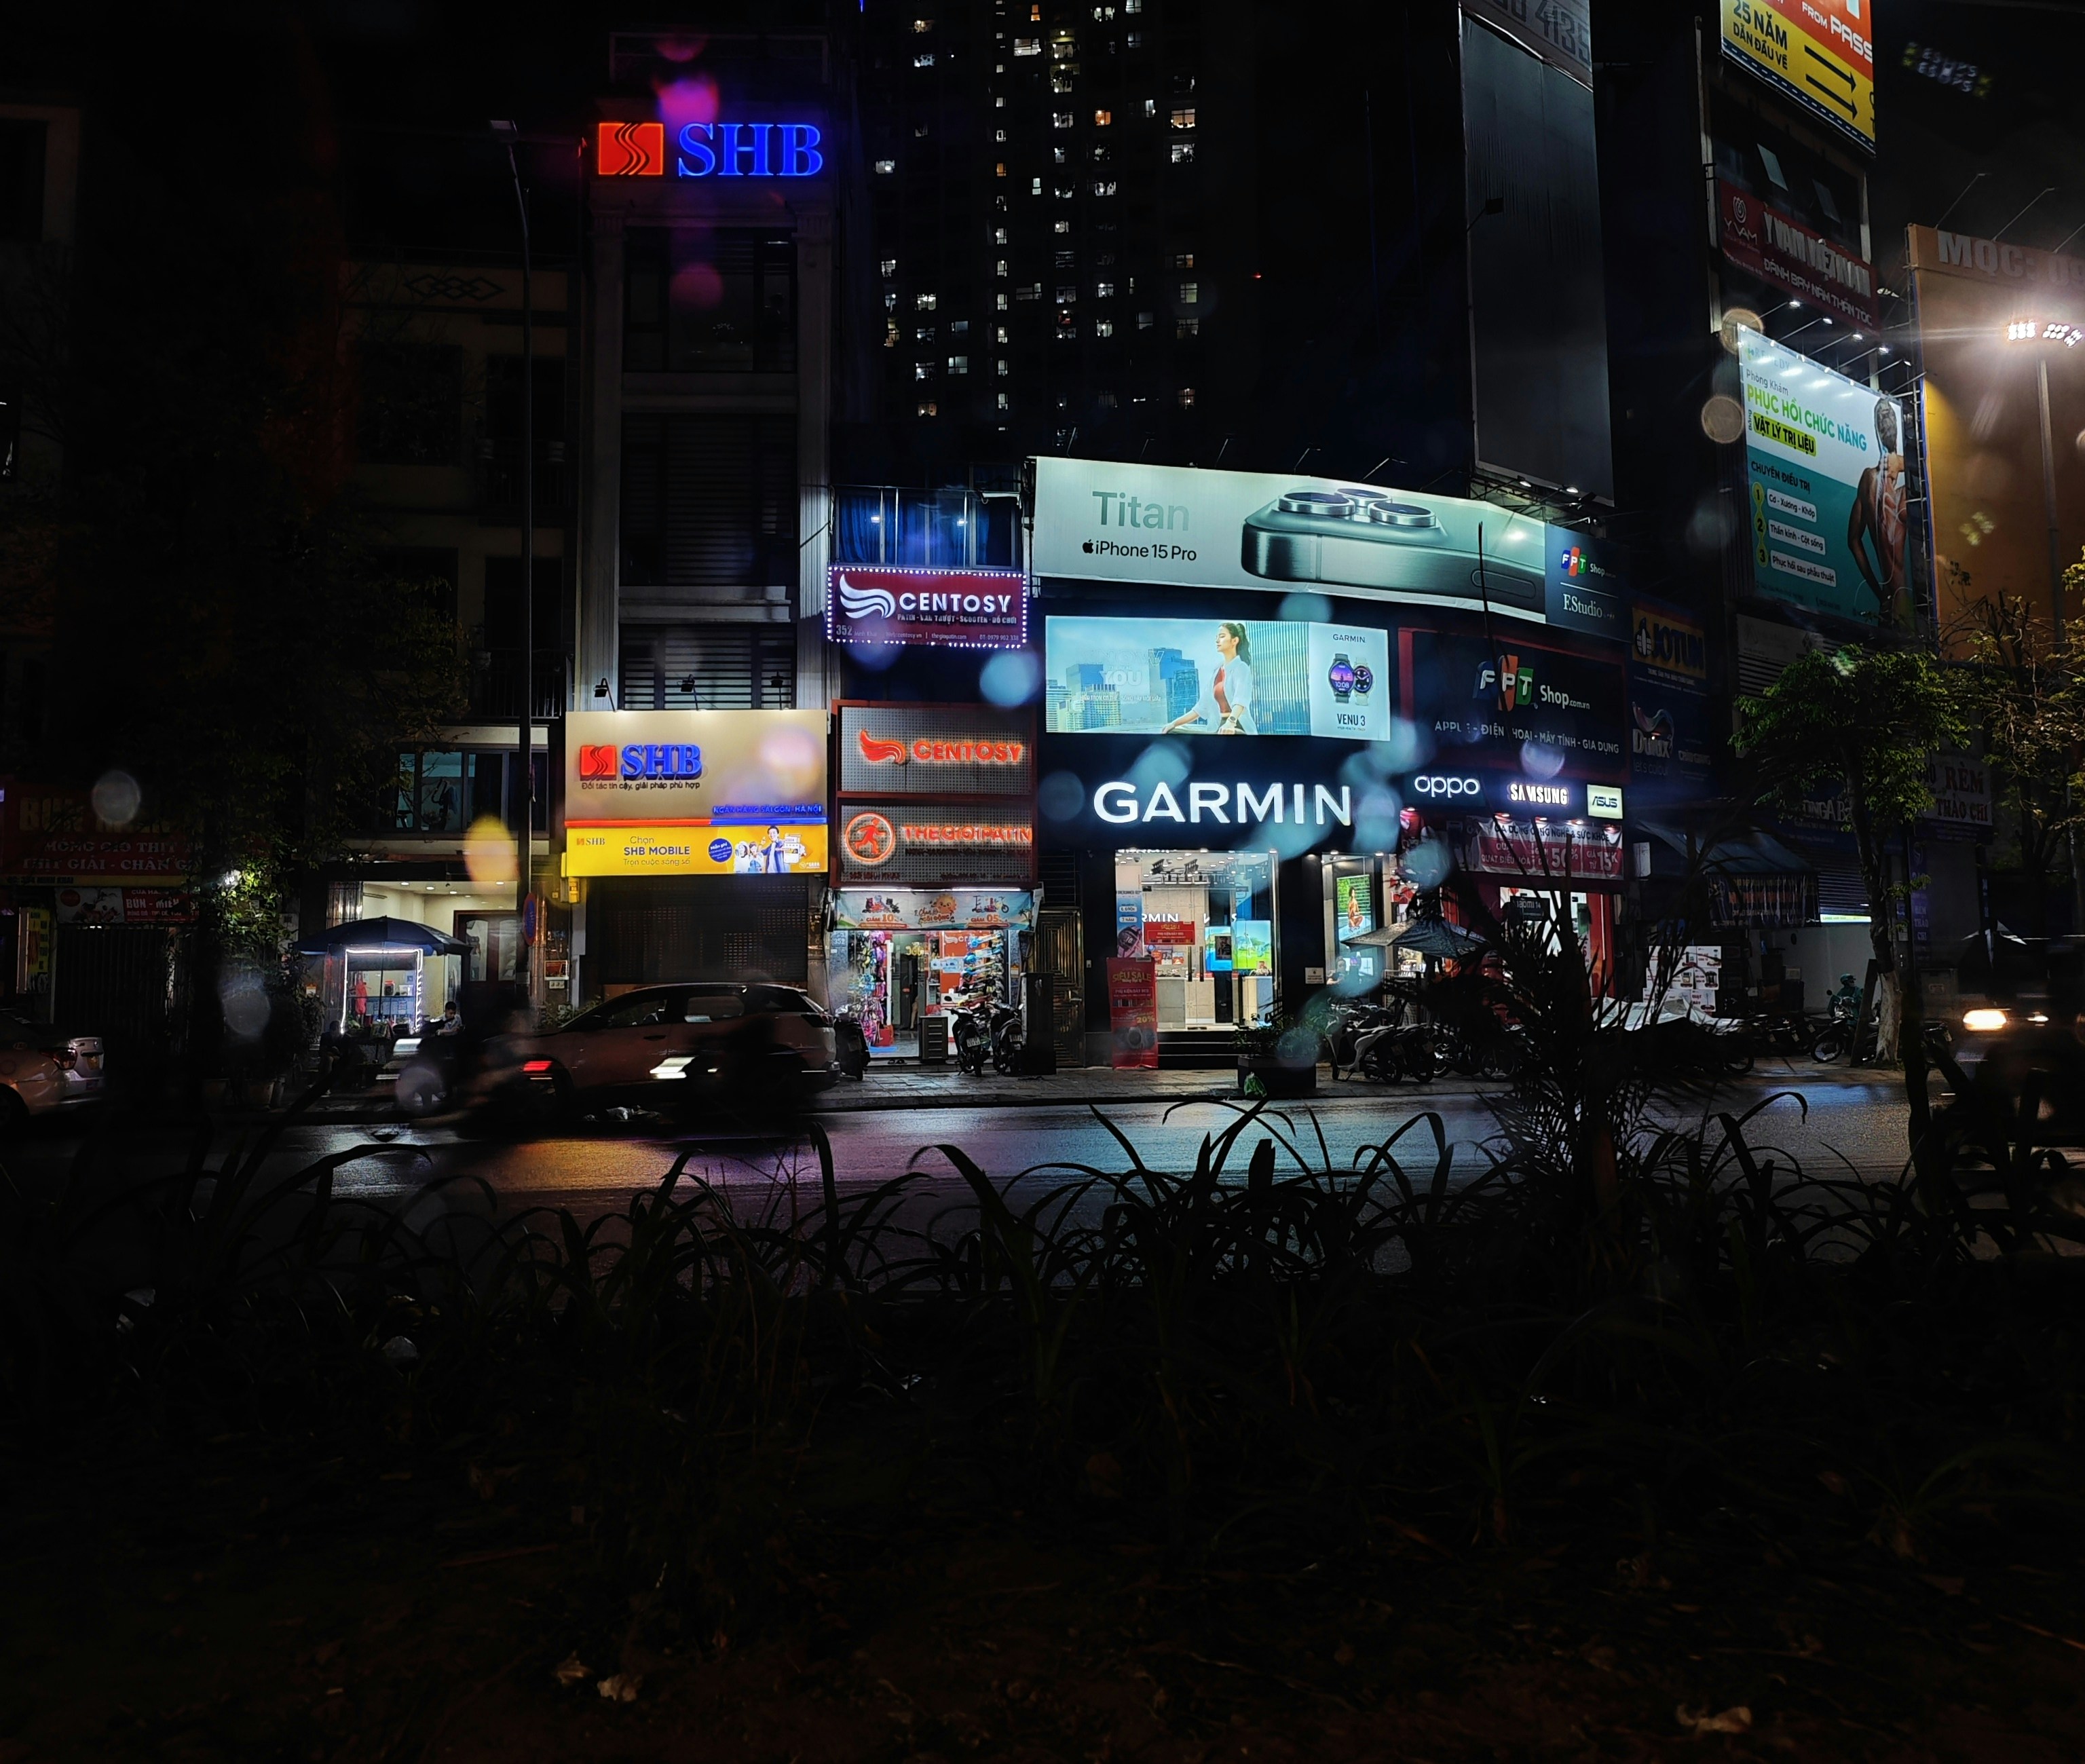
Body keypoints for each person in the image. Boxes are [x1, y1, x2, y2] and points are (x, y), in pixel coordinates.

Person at [1847, 396, 1908, 624]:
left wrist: (1879, 591)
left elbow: (1853, 541)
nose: (1887, 419)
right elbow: (1853, 541)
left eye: (1888, 414)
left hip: (1896, 604)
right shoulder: (1873, 481)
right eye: (1884, 415)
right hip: (1902, 609)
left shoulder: (1874, 483)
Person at [1164, 620, 1258, 735]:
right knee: (1174, 732)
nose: (1217, 640)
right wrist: (1174, 724)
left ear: (1234, 641)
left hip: (1237, 725)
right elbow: (1200, 708)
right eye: (1217, 637)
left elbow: (1241, 701)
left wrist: (1230, 723)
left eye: (1222, 636)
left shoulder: (1241, 668)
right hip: (1219, 726)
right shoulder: (1217, 671)